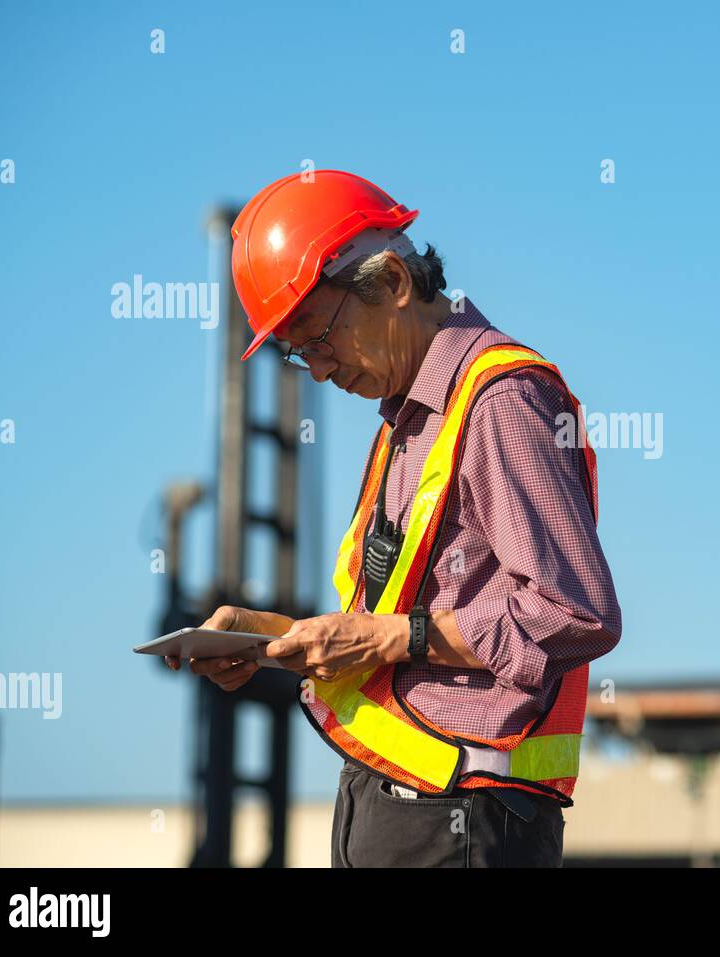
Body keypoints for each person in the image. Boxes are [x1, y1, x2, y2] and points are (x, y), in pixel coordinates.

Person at [167, 171, 621, 867]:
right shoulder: (409, 422)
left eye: (318, 335)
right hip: (408, 811)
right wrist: (271, 638)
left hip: (462, 820)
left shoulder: (500, 401)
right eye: (298, 353)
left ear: (395, 282)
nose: (317, 368)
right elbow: (397, 633)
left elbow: (577, 613)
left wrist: (392, 637)